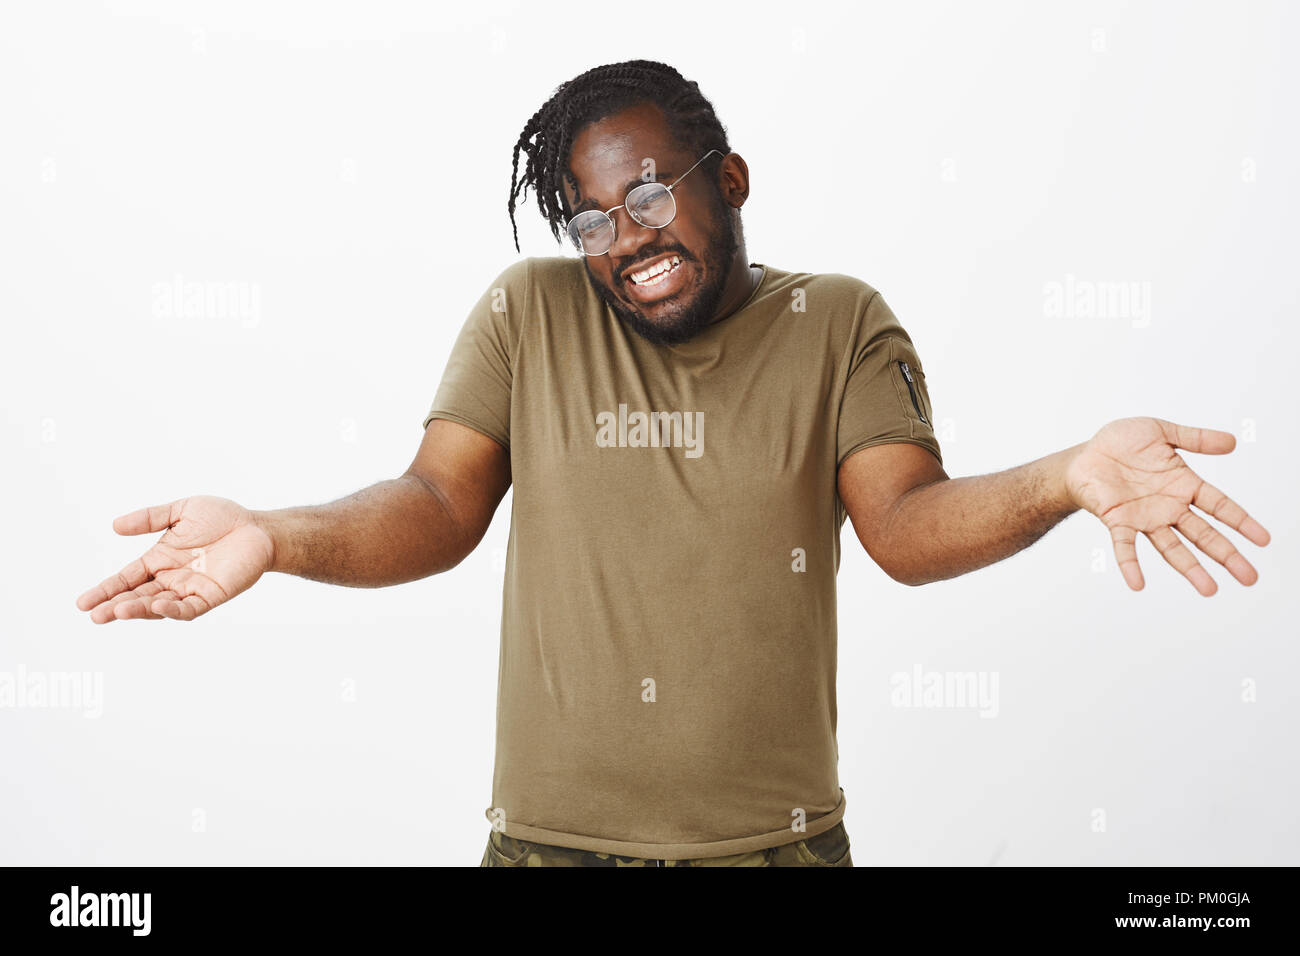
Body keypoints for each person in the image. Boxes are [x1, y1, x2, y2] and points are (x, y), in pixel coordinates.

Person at [75, 60, 1271, 867]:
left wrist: (1064, 473)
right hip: (544, 845)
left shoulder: (838, 319)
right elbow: (436, 504)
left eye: (649, 192)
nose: (626, 238)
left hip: (775, 847)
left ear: (728, 180)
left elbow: (904, 527)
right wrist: (275, 536)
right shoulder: (529, 313)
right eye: (590, 218)